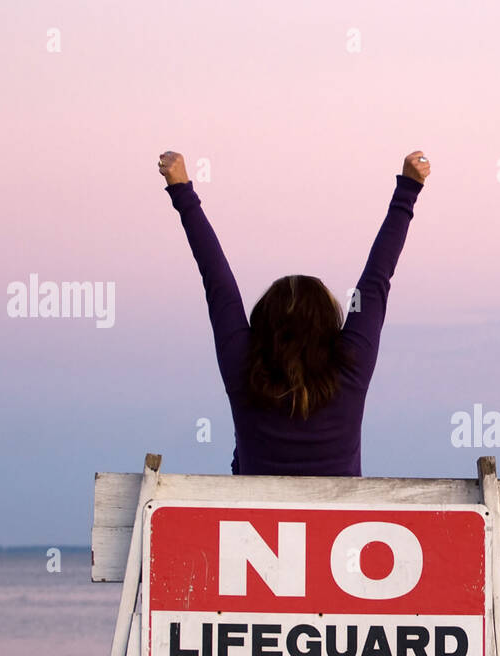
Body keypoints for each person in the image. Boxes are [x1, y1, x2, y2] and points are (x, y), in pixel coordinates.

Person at [157, 149, 429, 476]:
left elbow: (217, 282)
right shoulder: (349, 369)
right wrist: (407, 192)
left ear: (263, 325)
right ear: (329, 327)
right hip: (341, 523)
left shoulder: (243, 367)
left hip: (250, 523)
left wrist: (182, 191)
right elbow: (376, 281)